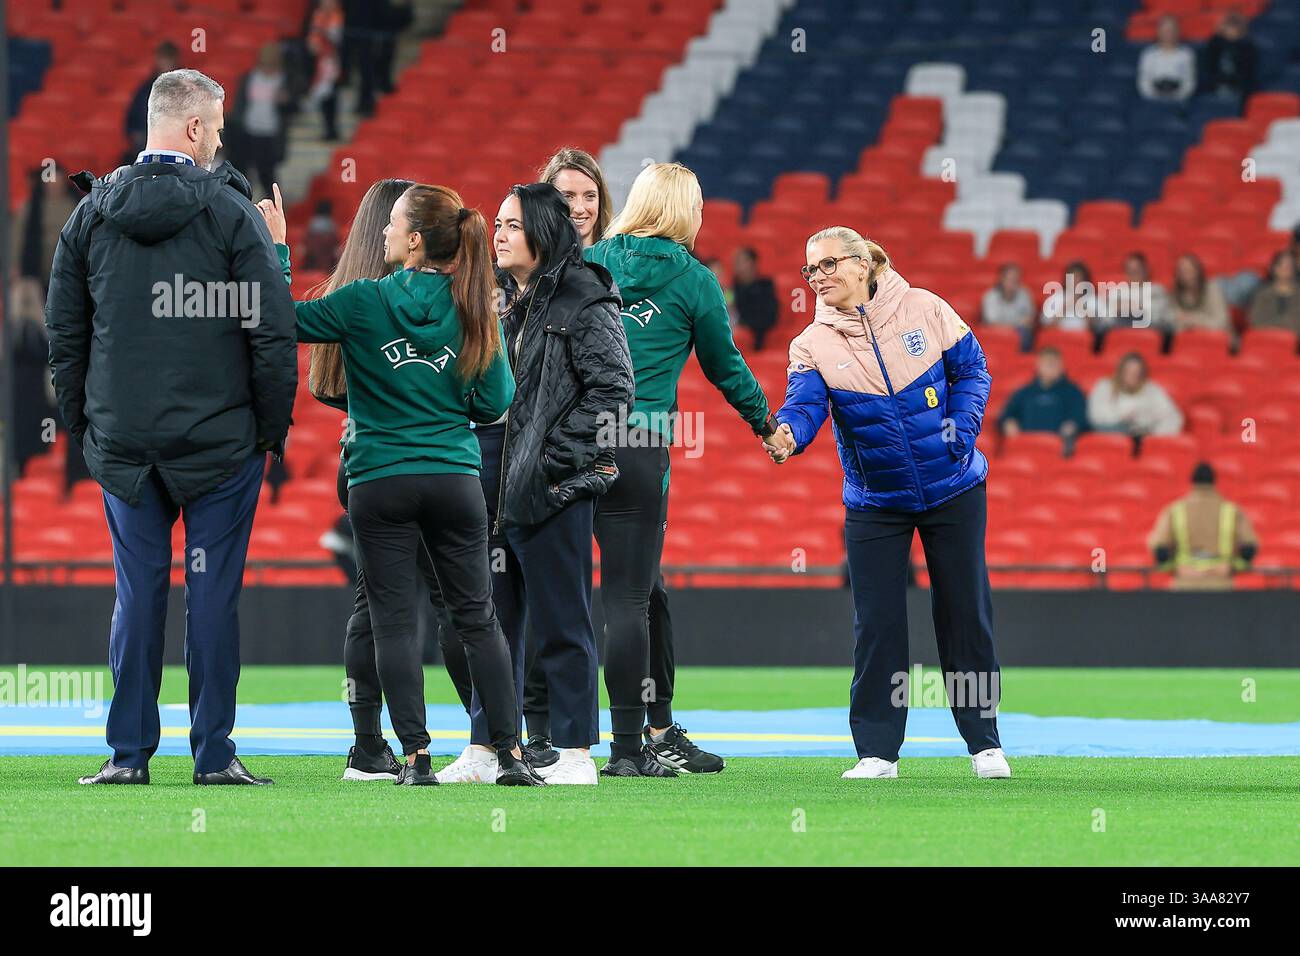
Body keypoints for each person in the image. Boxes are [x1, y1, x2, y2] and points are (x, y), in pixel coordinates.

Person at [46, 69, 297, 786]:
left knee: (136, 593)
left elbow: (65, 333)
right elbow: (271, 332)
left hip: (123, 444)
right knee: (213, 597)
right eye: (216, 129)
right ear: (193, 129)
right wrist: (269, 432)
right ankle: (214, 756)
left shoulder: (90, 214)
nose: (219, 140)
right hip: (220, 445)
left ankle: (128, 756)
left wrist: (83, 426)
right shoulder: (232, 212)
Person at [259, 180, 544, 786]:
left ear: (414, 241)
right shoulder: (474, 307)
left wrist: (279, 250)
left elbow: (278, 321)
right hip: (454, 479)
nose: (382, 232)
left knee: (390, 620)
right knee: (478, 618)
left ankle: (414, 758)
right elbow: (497, 401)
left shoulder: (362, 302)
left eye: (392, 224)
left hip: (378, 480)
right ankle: (512, 756)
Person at [765, 226, 1009, 781]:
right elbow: (803, 408)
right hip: (876, 501)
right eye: (810, 270)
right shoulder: (810, 344)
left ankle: (984, 743)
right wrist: (787, 435)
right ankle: (877, 752)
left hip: (955, 487)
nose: (818, 278)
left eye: (828, 265)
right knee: (875, 624)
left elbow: (973, 371)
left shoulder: (925, 307)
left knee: (965, 613)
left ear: (863, 262)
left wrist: (960, 432)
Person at [434, 182, 634, 786]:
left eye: (511, 225)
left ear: (543, 233)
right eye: (497, 222)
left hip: (551, 486)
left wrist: (551, 459)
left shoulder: (586, 296)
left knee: (562, 621)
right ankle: (487, 747)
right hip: (489, 478)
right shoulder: (497, 300)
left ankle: (575, 753)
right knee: (489, 623)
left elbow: (616, 396)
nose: (497, 233)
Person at [585, 163, 780, 776]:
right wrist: (766, 425)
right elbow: (725, 365)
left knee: (585, 592)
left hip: (572, 439)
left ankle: (555, 735)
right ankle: (628, 746)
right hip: (640, 441)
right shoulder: (695, 280)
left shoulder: (590, 261)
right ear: (685, 212)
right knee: (630, 599)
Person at [300, 177, 425, 781]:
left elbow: (326, 384)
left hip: (364, 463)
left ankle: (369, 742)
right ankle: (487, 743)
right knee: (458, 606)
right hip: (419, 461)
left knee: (374, 605)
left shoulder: (349, 295)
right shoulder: (406, 299)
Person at [1149, 463, 1258, 590]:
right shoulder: (1232, 511)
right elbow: (1249, 548)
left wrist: (1176, 567)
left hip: (1185, 584)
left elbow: (1160, 550)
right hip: (1221, 585)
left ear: (1192, 481)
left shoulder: (1175, 510)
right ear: (1214, 481)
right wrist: (1232, 566)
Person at [227, 43, 292, 198]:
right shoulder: (249, 78)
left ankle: (273, 205)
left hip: (270, 134)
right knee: (243, 173)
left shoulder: (285, 80)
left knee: (267, 175)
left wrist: (286, 101)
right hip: (248, 131)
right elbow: (239, 104)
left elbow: (292, 107)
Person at [998, 346, 1088, 447]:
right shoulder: (1025, 392)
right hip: (1026, 444)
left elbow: (1081, 417)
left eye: (1054, 364)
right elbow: (1006, 415)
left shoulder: (1073, 392)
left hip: (1058, 446)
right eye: (1047, 364)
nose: (1050, 368)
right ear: (1038, 365)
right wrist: (1008, 422)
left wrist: (1073, 425)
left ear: (1062, 366)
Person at [1087, 351, 1183, 436]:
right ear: (1120, 371)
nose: (1131, 376)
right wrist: (1122, 415)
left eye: (1136, 372)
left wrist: (1153, 434)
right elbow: (1095, 415)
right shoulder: (1104, 386)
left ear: (1142, 373)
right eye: (1127, 371)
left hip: (1143, 436)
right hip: (1110, 434)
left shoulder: (1152, 390)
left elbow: (1174, 417)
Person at [123, 42, 180, 161]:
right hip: (147, 140)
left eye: (168, 58)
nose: (165, 62)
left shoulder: (184, 89)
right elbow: (132, 118)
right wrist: (136, 135)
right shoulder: (146, 89)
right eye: (163, 58)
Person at [1201, 11, 1257, 102]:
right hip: (1216, 87)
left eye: (1235, 27)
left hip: (1239, 89)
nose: (1231, 30)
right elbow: (1209, 68)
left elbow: (1247, 74)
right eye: (1229, 26)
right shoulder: (1215, 45)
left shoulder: (1248, 48)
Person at [1138, 15, 1196, 101]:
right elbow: (1144, 81)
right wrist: (1154, 97)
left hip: (1179, 99)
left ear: (1178, 31)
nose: (1168, 33)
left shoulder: (1186, 54)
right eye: (1165, 29)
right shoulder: (1149, 54)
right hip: (1153, 99)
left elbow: (1189, 82)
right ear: (1158, 31)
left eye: (1172, 30)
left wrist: (1177, 97)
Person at [980, 262, 1035, 350]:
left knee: (1026, 333)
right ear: (1001, 279)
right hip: (995, 332)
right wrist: (1015, 324)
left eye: (1016, 279)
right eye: (1010, 279)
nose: (1013, 282)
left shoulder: (1025, 294)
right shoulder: (990, 296)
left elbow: (1028, 320)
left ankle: (1022, 358)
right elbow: (991, 322)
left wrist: (1007, 324)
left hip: (1018, 332)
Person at [732, 246, 779, 350]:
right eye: (736, 262)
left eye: (742, 261)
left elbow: (770, 316)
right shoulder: (732, 288)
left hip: (760, 337)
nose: (737, 266)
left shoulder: (766, 286)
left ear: (753, 263)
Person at [1171, 253, 1229, 332]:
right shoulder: (1175, 295)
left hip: (1216, 339)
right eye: (1182, 271)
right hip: (1188, 339)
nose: (1186, 275)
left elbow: (1222, 323)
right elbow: (1175, 323)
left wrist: (1193, 319)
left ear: (1198, 271)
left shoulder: (1212, 290)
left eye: (1189, 270)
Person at [1247, 249, 1300, 333]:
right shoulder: (1262, 293)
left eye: (1289, 266)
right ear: (1274, 268)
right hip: (1266, 338)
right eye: (1281, 265)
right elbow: (1255, 319)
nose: (1285, 269)